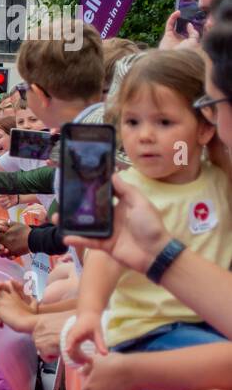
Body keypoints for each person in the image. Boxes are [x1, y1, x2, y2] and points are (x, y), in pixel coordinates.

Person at [65, 48, 231, 368]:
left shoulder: (220, 179)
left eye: (164, 122)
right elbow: (102, 258)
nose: (144, 136)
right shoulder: (128, 191)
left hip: (213, 324)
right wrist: (88, 313)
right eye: (132, 121)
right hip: (148, 333)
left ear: (206, 127)